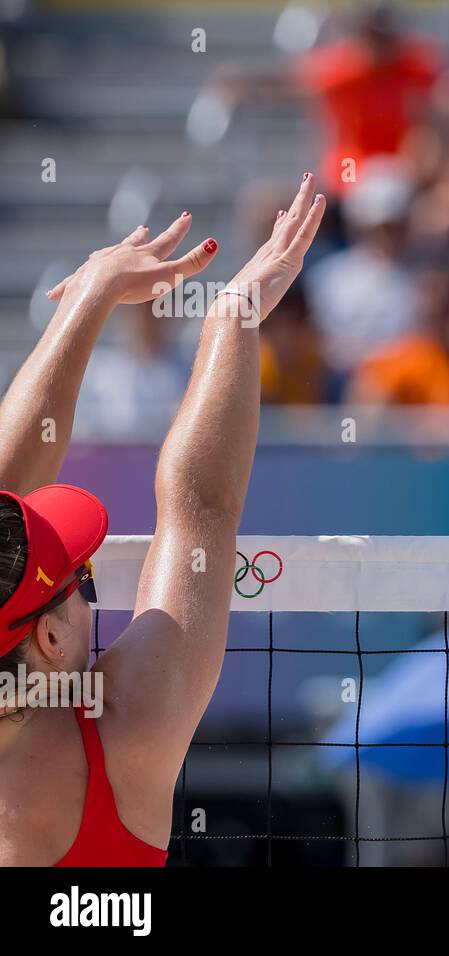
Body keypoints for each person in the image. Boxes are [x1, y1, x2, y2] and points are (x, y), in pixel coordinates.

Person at [0, 173, 326, 865]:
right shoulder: (129, 733)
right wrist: (232, 316)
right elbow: (202, 506)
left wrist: (90, 294)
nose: (93, 585)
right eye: (81, 579)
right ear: (51, 640)